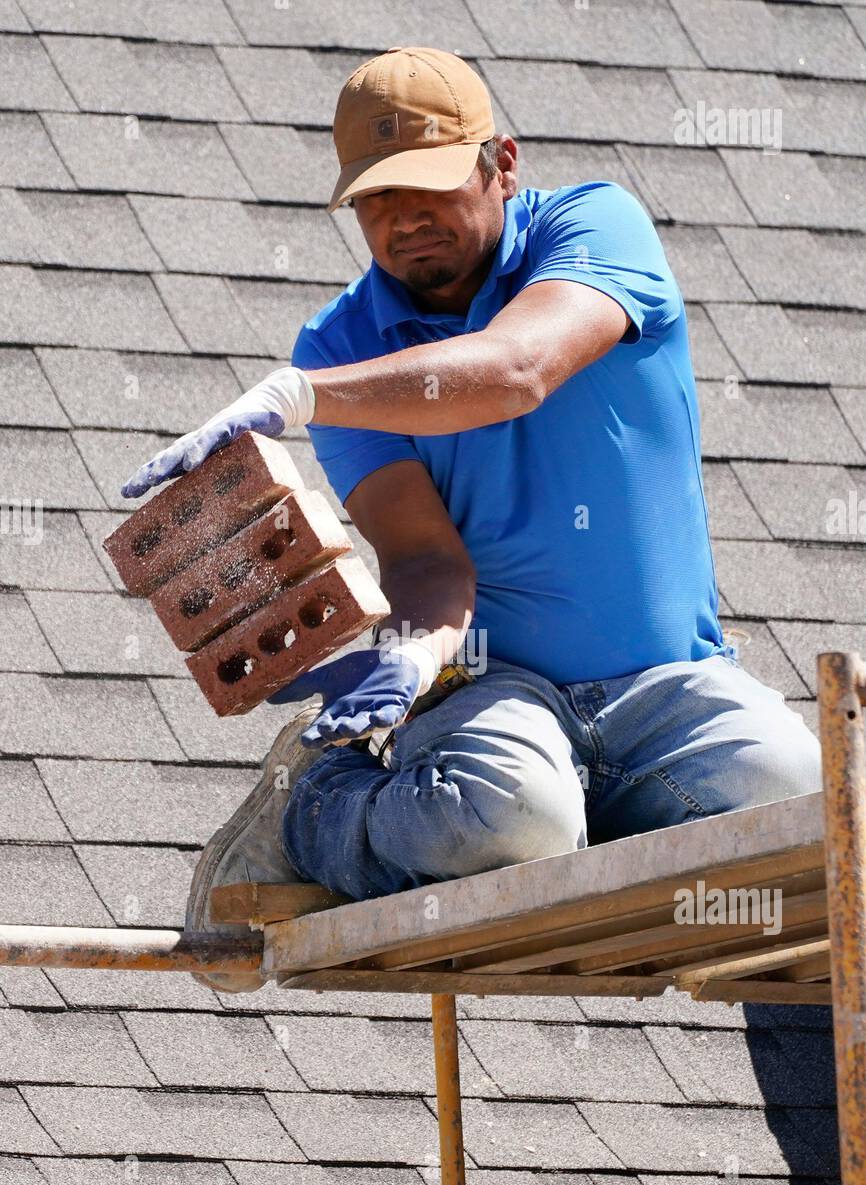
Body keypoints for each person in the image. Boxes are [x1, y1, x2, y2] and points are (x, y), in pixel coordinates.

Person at [122, 47, 821, 963]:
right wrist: (412, 660)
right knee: (508, 821)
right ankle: (317, 808)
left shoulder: (595, 229)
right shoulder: (343, 343)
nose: (405, 220)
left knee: (806, 809)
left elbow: (517, 370)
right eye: (376, 199)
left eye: (430, 187)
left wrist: (304, 397)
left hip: (665, 688)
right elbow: (424, 561)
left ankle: (570, 822)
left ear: (504, 164)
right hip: (496, 689)